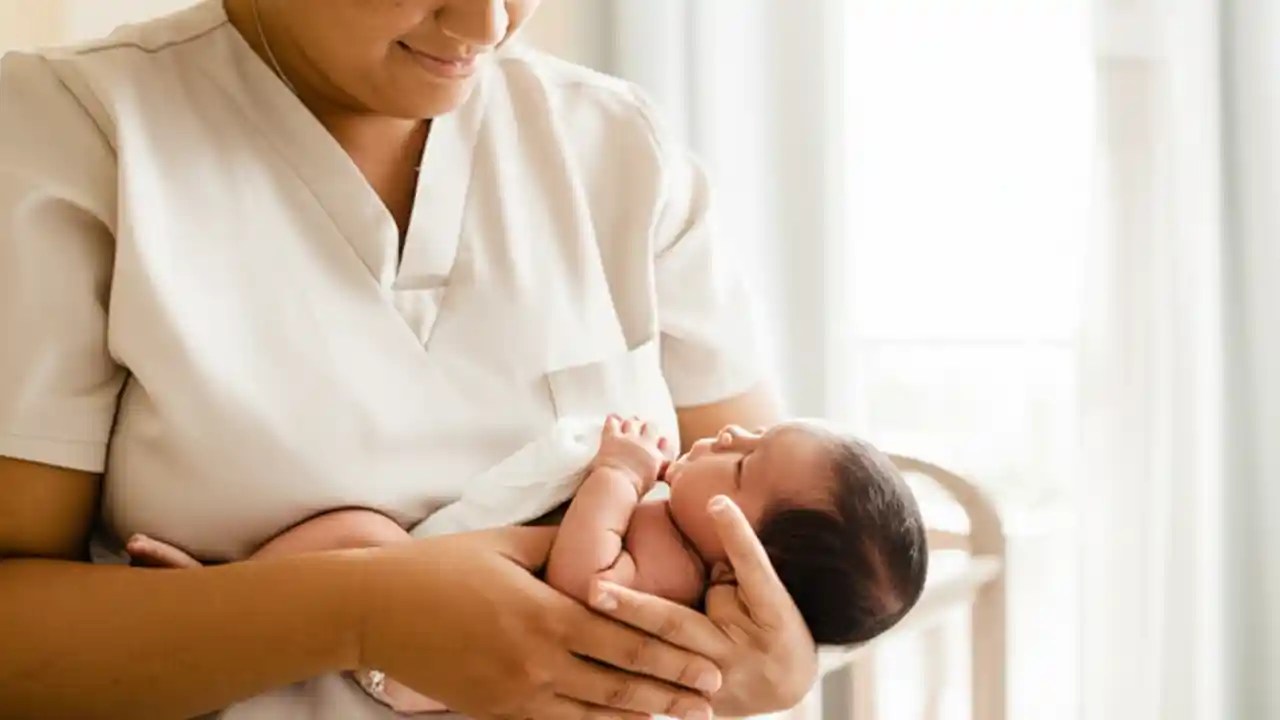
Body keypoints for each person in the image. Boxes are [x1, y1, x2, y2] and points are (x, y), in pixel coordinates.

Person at [0, 0, 820, 717]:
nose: (486, 24)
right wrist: (360, 615)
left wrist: (770, 674)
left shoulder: (617, 148)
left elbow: (782, 573)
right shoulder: (70, 132)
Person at [128, 418, 930, 714]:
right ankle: (221, 601)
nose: (729, 438)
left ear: (747, 561)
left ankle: (218, 607)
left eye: (746, 468)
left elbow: (588, 586)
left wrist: (617, 476)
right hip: (427, 609)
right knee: (352, 540)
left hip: (434, 668)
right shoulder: (682, 523)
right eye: (755, 435)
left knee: (355, 536)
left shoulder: (675, 576)